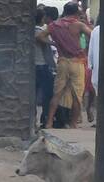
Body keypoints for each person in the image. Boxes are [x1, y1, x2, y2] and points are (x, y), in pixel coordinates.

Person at [39, 2, 92, 130]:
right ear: (75, 12)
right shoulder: (78, 25)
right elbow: (92, 34)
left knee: (57, 94)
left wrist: (53, 43)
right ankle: (73, 123)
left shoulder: (54, 25)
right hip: (77, 62)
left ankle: (49, 122)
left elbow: (40, 36)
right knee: (77, 96)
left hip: (62, 61)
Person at [34, 8, 57, 131]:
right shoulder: (39, 32)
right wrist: (53, 43)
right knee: (47, 95)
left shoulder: (30, 31)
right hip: (42, 66)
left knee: (34, 94)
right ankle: (45, 118)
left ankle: (33, 120)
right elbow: (39, 38)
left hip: (35, 66)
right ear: (42, 18)